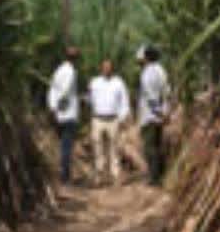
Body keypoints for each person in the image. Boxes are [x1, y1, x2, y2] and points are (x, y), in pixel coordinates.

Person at [87, 58, 130, 186]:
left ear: (112, 68)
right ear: (101, 68)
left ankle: (115, 176)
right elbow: (89, 100)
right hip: (97, 119)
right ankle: (98, 176)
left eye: (109, 67)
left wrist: (122, 118)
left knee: (114, 149)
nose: (107, 69)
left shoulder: (119, 83)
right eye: (105, 67)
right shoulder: (94, 82)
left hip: (113, 120)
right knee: (97, 148)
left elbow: (124, 101)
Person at [137, 45, 170, 187]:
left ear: (146, 57)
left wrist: (159, 112)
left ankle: (154, 178)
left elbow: (151, 97)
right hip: (159, 115)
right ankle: (159, 175)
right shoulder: (161, 70)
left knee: (149, 148)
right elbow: (167, 91)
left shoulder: (147, 73)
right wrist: (165, 112)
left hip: (150, 115)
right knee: (157, 145)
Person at [47, 46, 80, 184]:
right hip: (68, 114)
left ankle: (63, 175)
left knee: (62, 146)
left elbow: (52, 90)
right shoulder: (71, 71)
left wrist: (53, 107)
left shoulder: (58, 70)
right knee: (66, 146)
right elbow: (65, 91)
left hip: (59, 114)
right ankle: (65, 177)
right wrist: (59, 107)